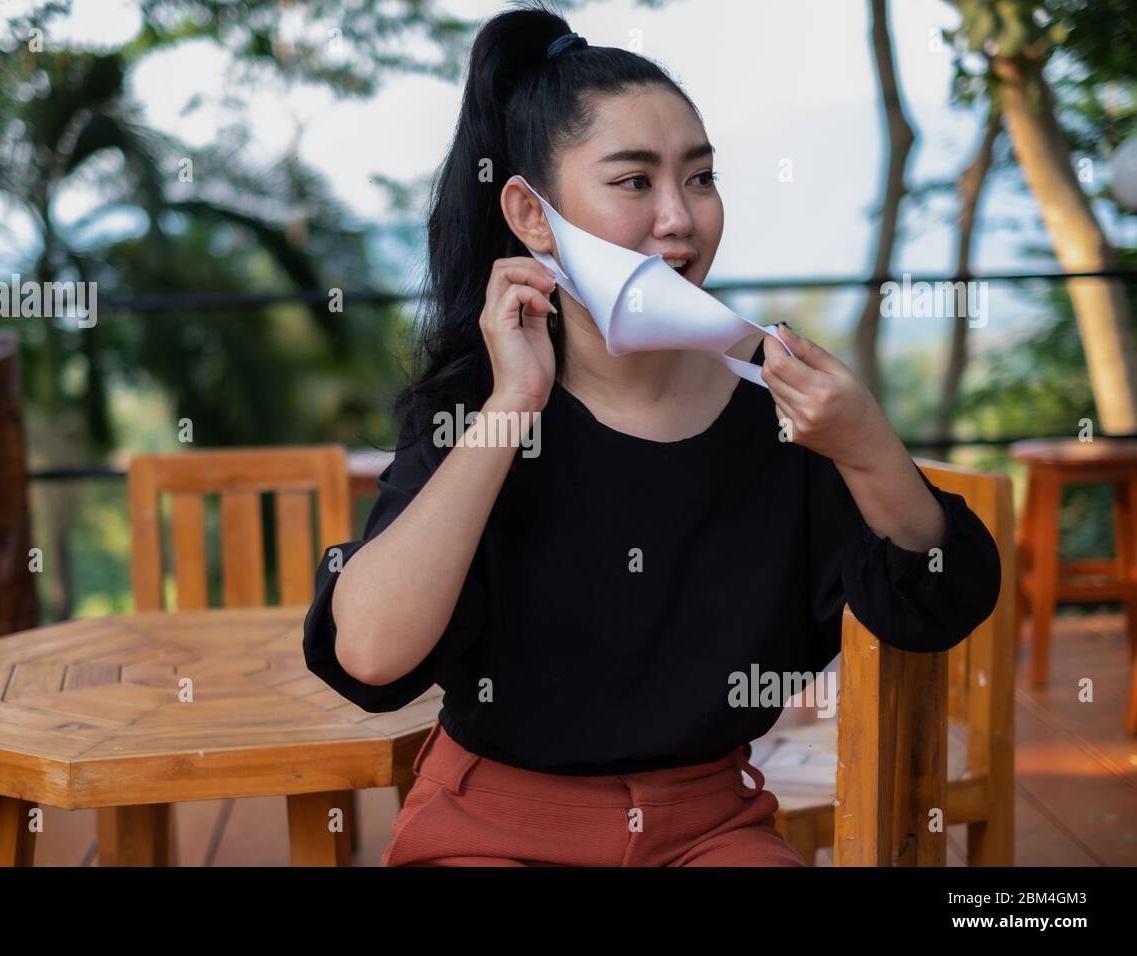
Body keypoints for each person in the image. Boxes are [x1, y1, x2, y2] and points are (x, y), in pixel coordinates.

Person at [302, 2, 1002, 867]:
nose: (680, 218)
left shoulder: (779, 402)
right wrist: (513, 405)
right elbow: (368, 654)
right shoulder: (477, 407)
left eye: (700, 179)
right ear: (531, 215)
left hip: (711, 830)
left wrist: (865, 445)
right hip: (488, 829)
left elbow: (937, 606)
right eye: (634, 182)